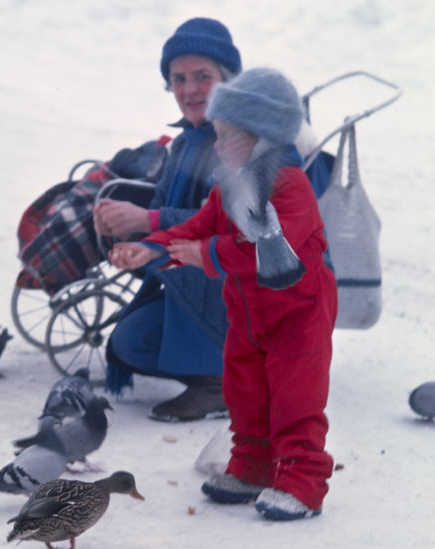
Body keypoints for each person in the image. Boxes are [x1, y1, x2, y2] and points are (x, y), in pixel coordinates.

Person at [109, 67, 337, 520]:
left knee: (295, 400)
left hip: (298, 316)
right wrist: (150, 249)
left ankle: (302, 482)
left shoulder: (290, 187)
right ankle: (253, 468)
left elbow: (277, 249)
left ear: (262, 138)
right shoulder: (230, 186)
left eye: (227, 136)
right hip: (249, 317)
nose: (217, 145)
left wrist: (206, 253)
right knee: (245, 393)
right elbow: (199, 227)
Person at [93, 17, 242, 421]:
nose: (189, 89)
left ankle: (222, 382)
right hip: (189, 271)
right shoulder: (183, 144)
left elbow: (231, 222)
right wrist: (128, 229)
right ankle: (218, 368)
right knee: (128, 345)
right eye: (178, 79)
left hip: (238, 279)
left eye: (202, 76)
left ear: (227, 79)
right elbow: (159, 209)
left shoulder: (240, 140)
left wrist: (148, 219)